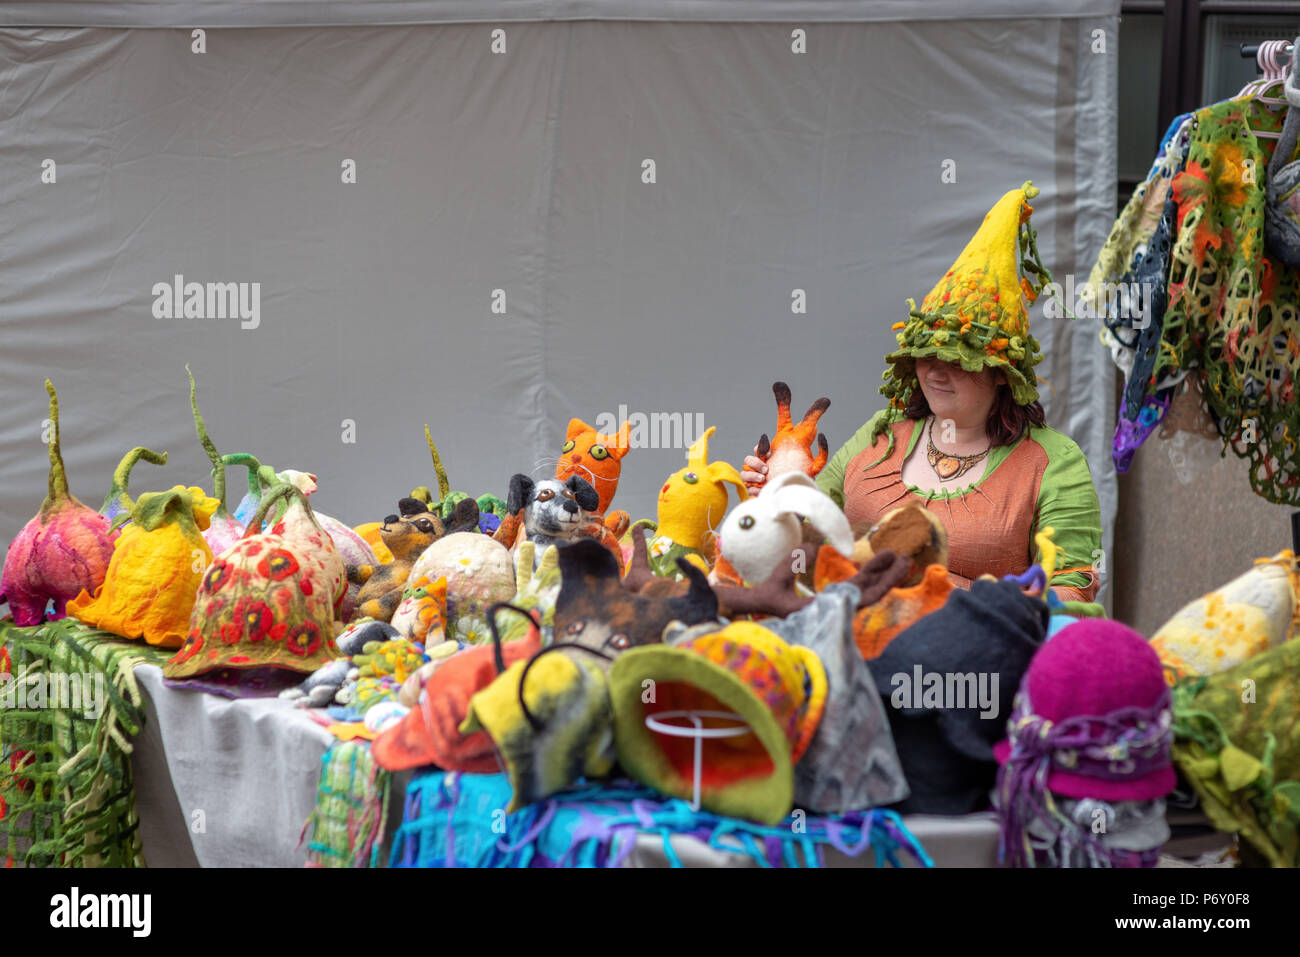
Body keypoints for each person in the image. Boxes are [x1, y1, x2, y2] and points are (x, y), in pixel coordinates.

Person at [742, 183, 1102, 603]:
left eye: (957, 358)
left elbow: (1074, 586)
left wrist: (980, 609)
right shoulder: (881, 434)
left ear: (1002, 373)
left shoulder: (1054, 461)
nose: (935, 370)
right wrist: (775, 500)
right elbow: (807, 542)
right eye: (924, 354)